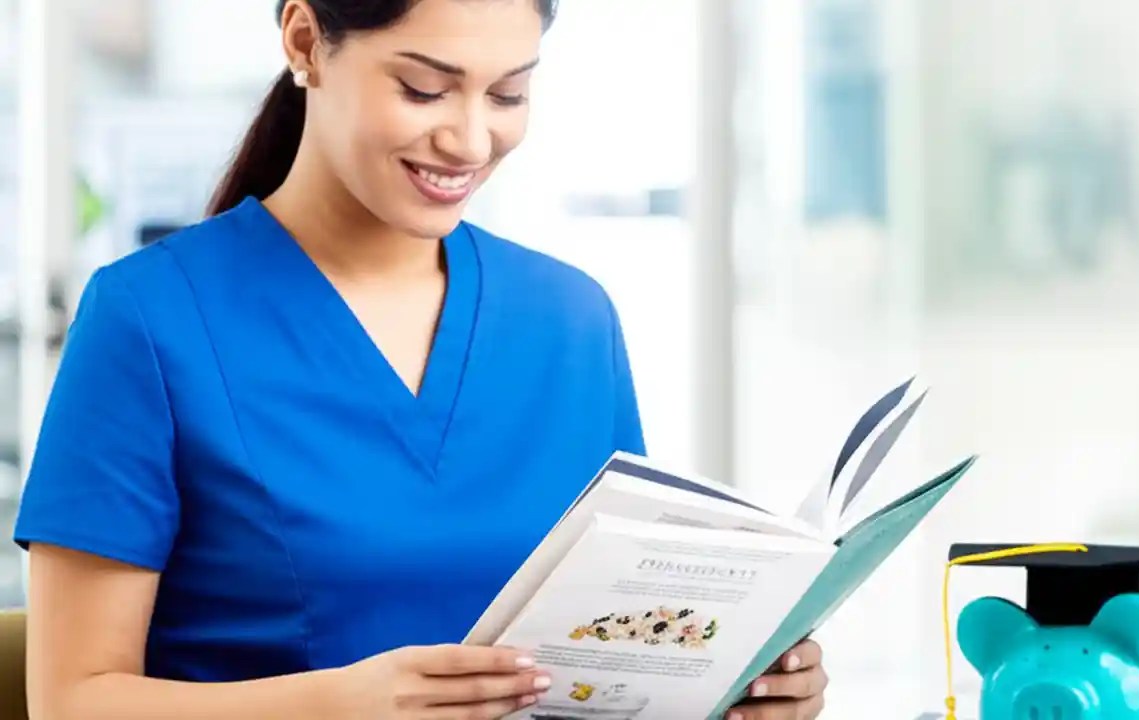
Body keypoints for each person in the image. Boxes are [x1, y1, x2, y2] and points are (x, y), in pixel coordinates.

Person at [13, 1, 828, 719]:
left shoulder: (571, 319)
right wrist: (331, 707)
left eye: (508, 94)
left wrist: (730, 689)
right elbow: (74, 699)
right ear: (304, 41)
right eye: (424, 89)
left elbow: (611, 658)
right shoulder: (150, 318)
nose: (472, 137)